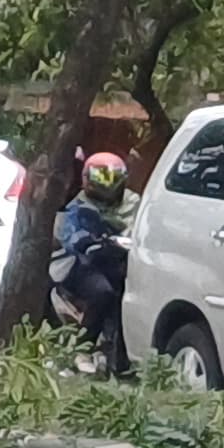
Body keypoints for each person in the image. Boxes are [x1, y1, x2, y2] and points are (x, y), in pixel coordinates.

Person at [48, 150, 134, 378]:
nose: (107, 184)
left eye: (112, 178)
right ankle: (82, 348)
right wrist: (92, 242)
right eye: (101, 177)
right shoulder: (79, 206)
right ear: (87, 178)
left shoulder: (134, 203)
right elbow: (72, 238)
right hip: (80, 264)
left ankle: (124, 359)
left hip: (125, 264)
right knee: (103, 292)